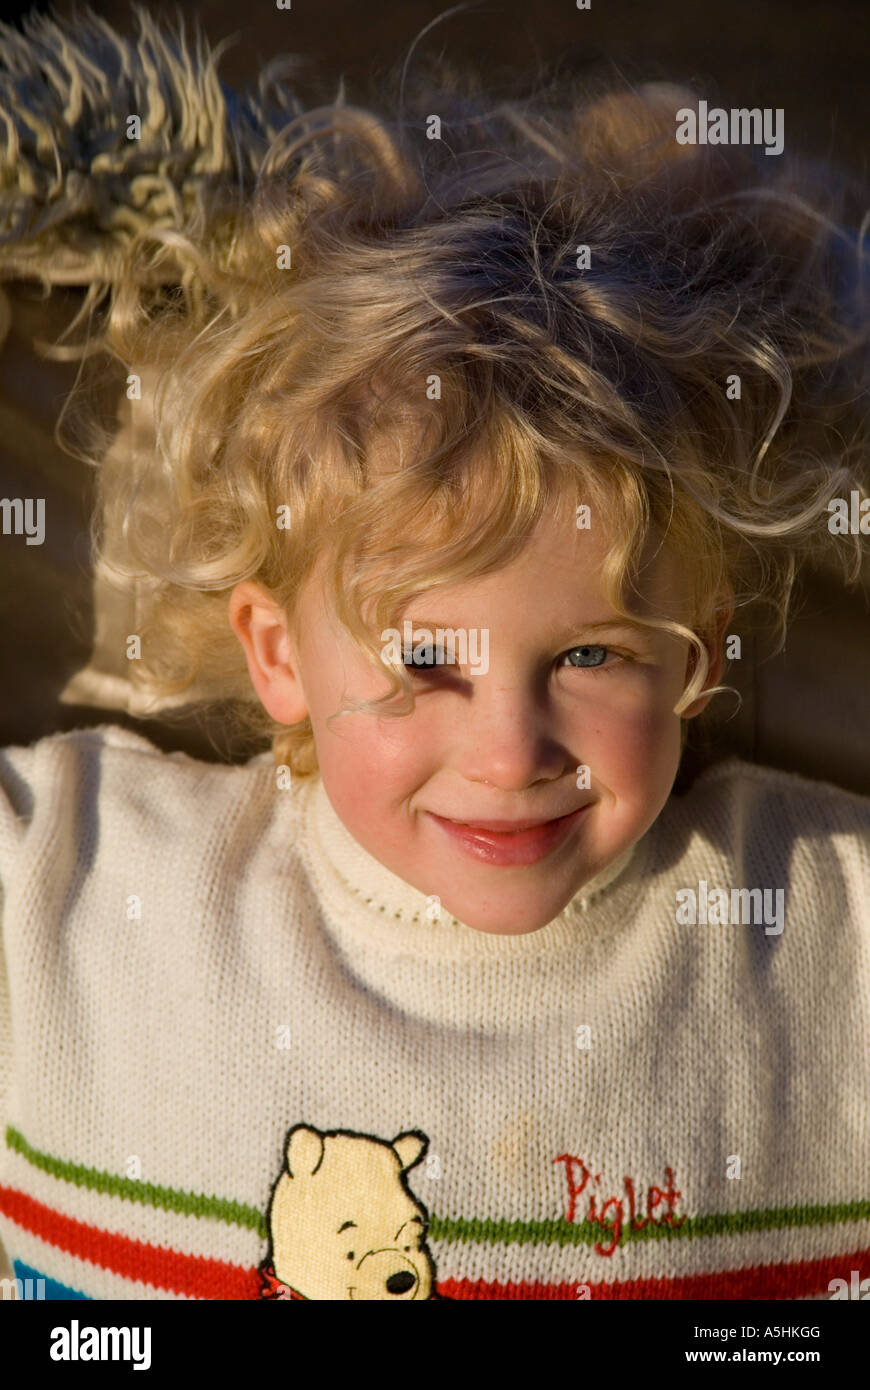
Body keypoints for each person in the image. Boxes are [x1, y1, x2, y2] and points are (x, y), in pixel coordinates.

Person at [0, 4, 868, 1300]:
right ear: (277, 652)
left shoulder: (820, 931)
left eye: (589, 654)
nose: (508, 750)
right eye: (423, 663)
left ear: (704, 648)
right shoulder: (66, 880)